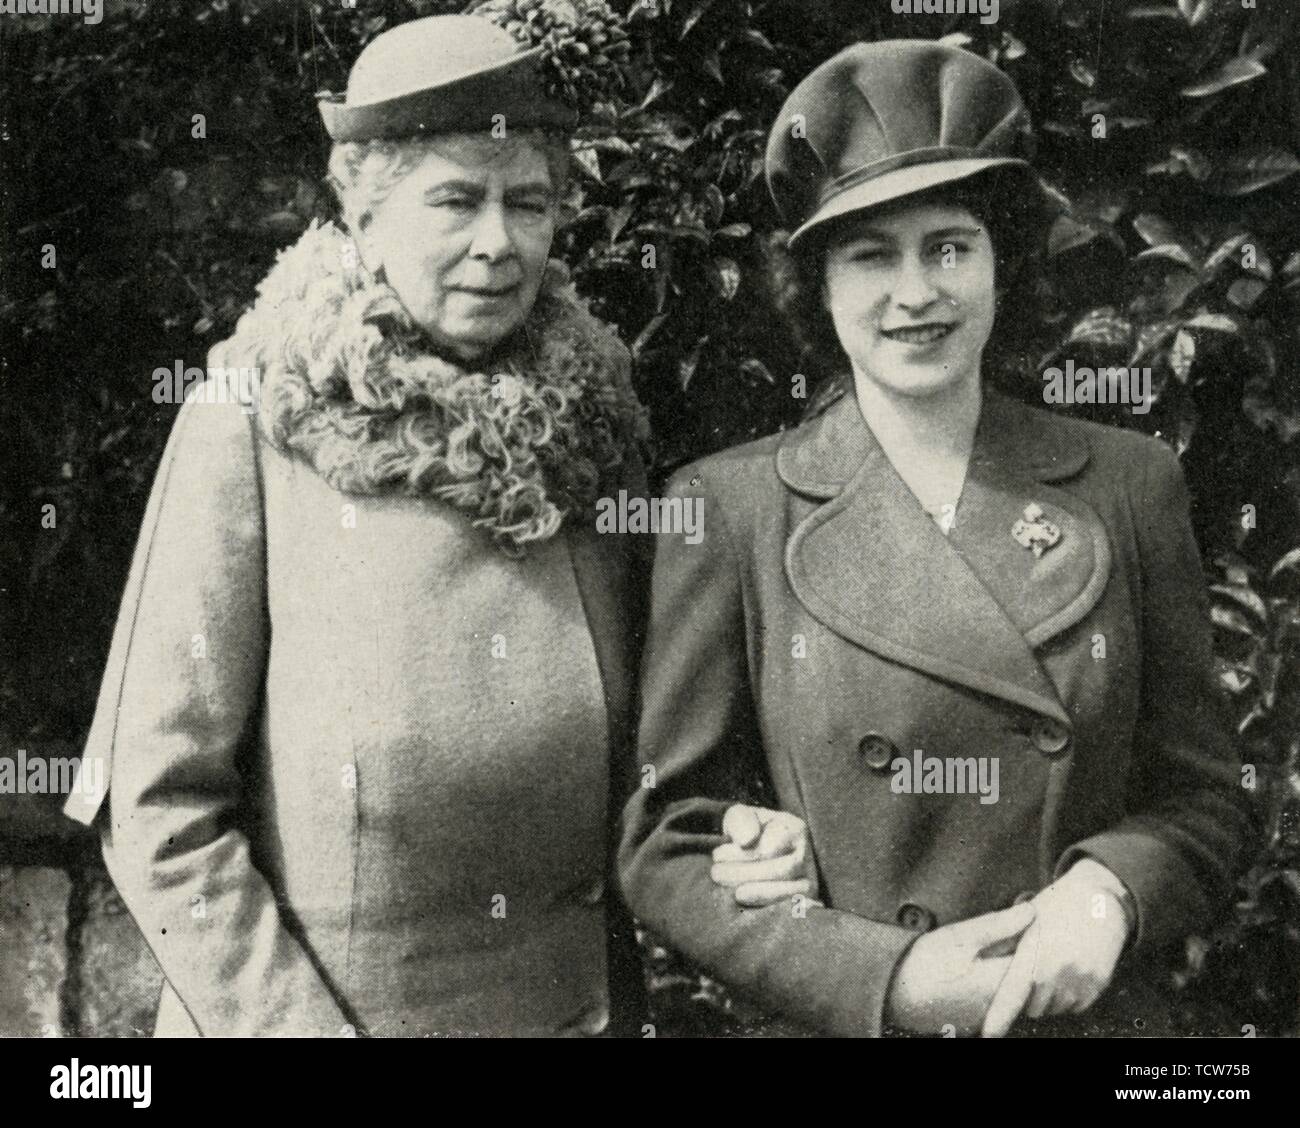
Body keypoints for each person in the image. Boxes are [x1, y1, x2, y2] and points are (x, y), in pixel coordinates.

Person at [60, 11, 786, 1037]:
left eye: (526, 202)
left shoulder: (593, 420)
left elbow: (652, 759)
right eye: (455, 199)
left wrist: (742, 835)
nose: (497, 242)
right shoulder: (258, 407)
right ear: (364, 212)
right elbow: (157, 810)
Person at [619, 39, 1255, 1037]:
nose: (915, 292)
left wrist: (1109, 896)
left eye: (949, 246)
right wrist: (888, 977)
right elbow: (668, 842)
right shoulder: (731, 507)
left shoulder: (1129, 484)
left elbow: (1207, 797)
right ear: (819, 290)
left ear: (999, 263)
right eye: (872, 256)